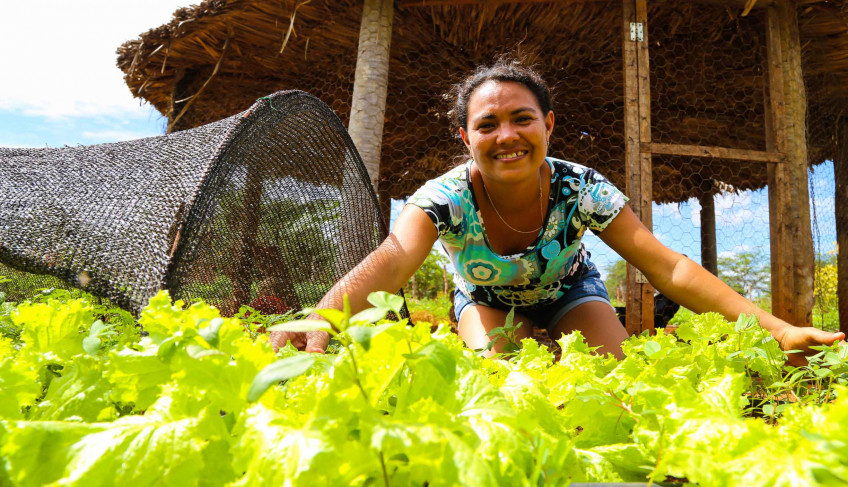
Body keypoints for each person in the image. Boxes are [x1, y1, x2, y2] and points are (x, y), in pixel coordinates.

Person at [270, 58, 843, 362]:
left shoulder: (581, 188)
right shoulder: (445, 197)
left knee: (611, 377)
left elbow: (667, 268)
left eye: (522, 118)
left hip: (573, 294)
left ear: (548, 125)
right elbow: (395, 256)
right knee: (497, 377)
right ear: (465, 137)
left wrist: (778, 328)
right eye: (487, 124)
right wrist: (323, 313)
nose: (507, 135)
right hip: (486, 300)